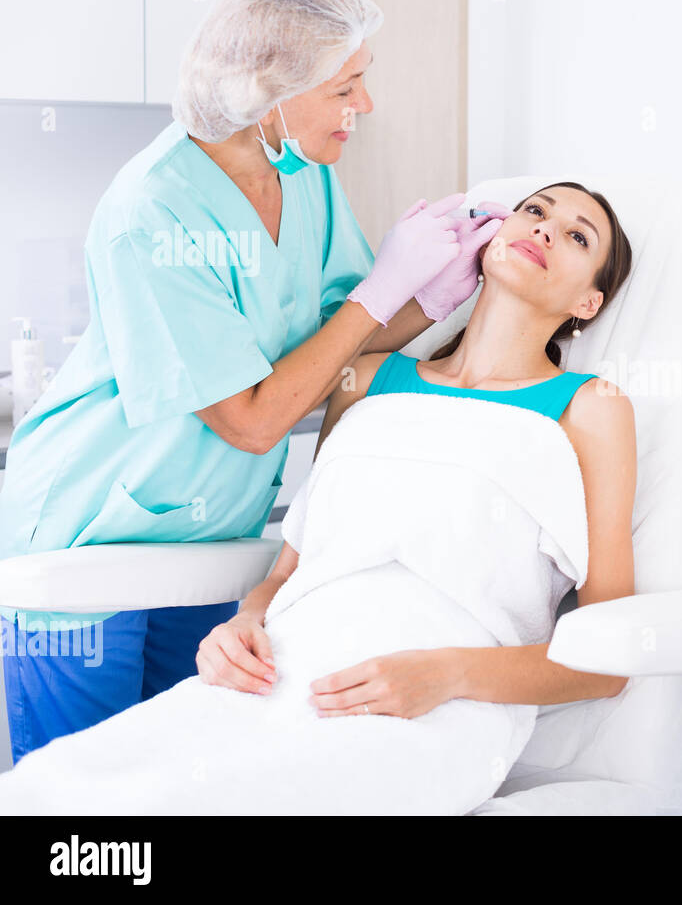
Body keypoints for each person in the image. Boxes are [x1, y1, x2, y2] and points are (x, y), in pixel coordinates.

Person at [0, 183, 640, 815]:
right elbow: (290, 569)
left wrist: (447, 674)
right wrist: (244, 623)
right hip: (282, 674)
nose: (546, 228)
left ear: (589, 301)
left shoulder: (591, 411)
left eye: (577, 235)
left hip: (435, 708)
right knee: (61, 786)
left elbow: (609, 662)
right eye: (534, 210)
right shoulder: (365, 378)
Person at [0, 0, 501, 763]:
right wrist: (384, 292)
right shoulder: (151, 213)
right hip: (84, 541)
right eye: (345, 88)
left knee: (183, 773)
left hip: (205, 540)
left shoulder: (304, 179)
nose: (363, 106)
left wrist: (443, 291)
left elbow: (340, 335)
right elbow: (253, 419)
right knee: (83, 789)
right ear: (268, 90)